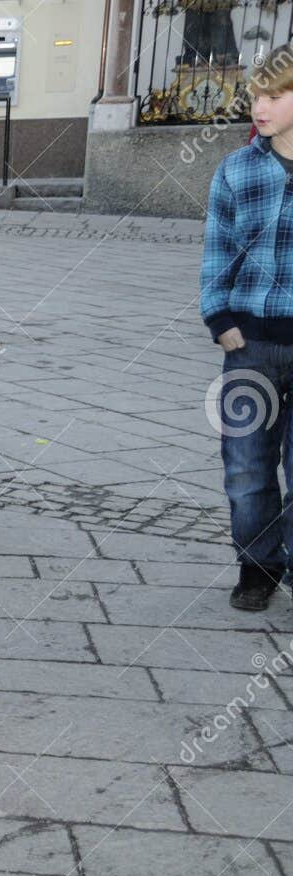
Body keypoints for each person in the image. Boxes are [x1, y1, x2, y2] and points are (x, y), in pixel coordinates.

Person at [202, 47, 293, 612]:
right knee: (247, 468)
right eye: (255, 96)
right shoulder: (236, 170)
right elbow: (218, 250)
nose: (258, 107)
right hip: (251, 346)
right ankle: (258, 568)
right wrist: (220, 320)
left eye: (274, 96)